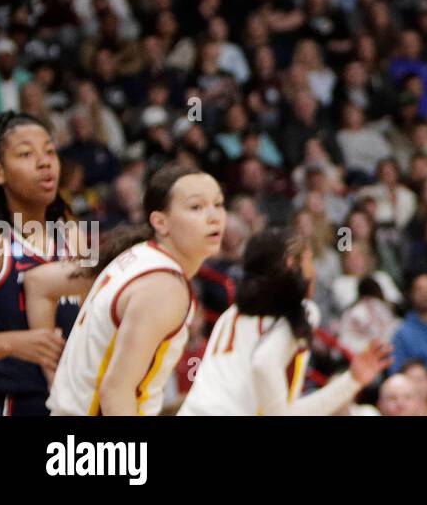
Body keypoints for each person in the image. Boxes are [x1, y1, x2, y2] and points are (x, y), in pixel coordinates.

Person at [28, 162, 225, 415]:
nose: (214, 216)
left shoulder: (138, 255)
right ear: (160, 222)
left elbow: (39, 282)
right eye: (196, 207)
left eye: (218, 204)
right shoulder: (163, 285)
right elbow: (115, 392)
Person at [179, 228, 391, 415]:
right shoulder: (302, 310)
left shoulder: (232, 315)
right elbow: (264, 364)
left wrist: (352, 380)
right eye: (309, 259)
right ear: (292, 263)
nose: (315, 270)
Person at [0, 112, 86, 415]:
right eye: (26, 153)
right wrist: (10, 343)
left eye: (50, 151)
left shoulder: (74, 237)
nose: (44, 161)